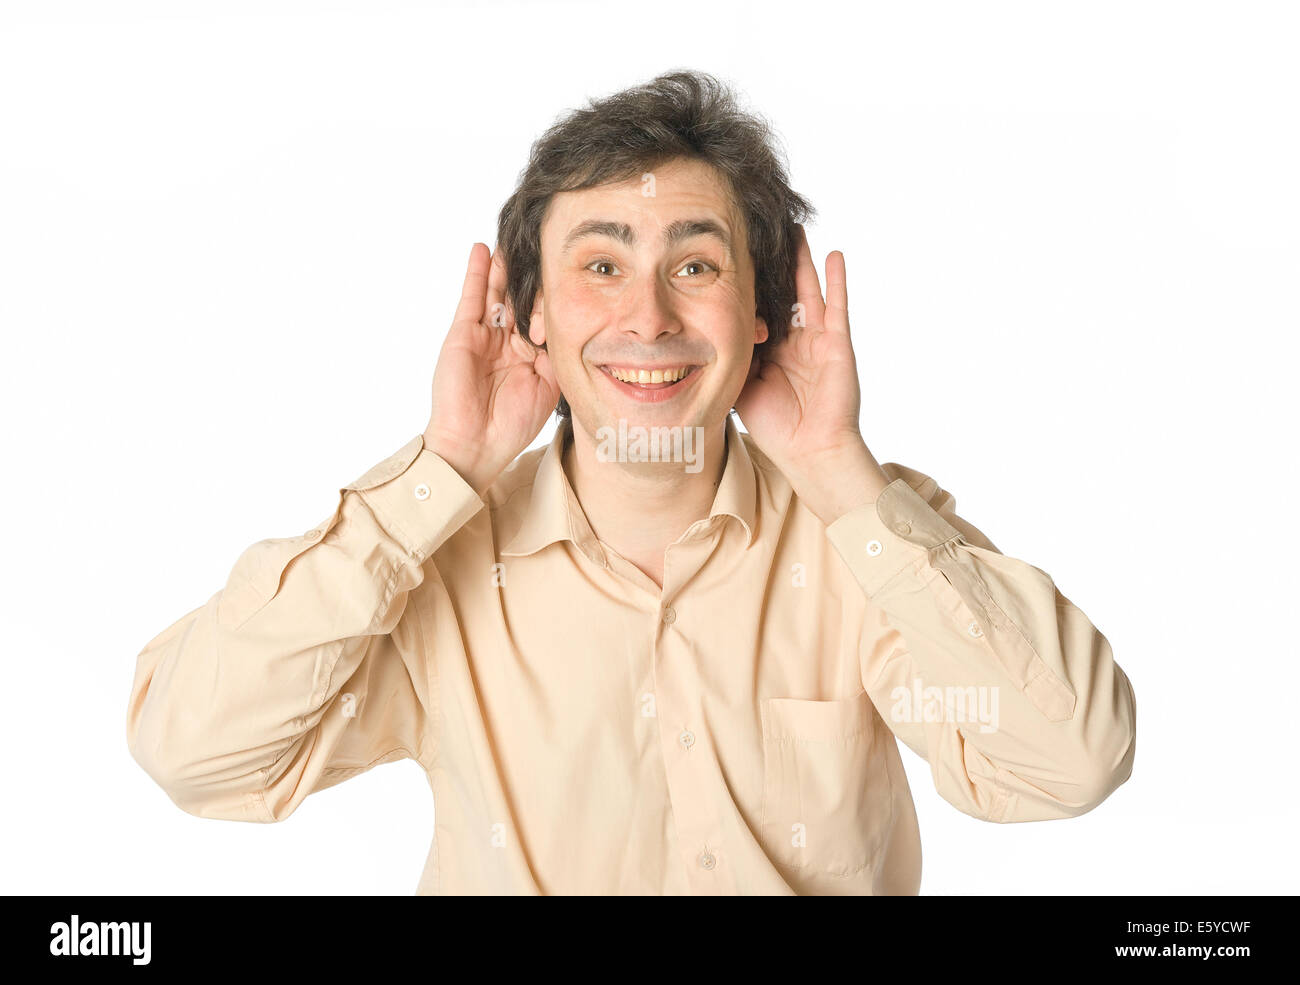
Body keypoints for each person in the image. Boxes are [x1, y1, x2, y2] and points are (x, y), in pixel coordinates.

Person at [126, 70, 1136, 895]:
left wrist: (837, 469)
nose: (648, 319)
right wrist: (442, 471)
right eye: (601, 267)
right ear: (531, 314)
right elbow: (197, 751)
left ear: (762, 311)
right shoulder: (433, 560)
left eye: (694, 267)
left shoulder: (864, 537)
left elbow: (1071, 762)